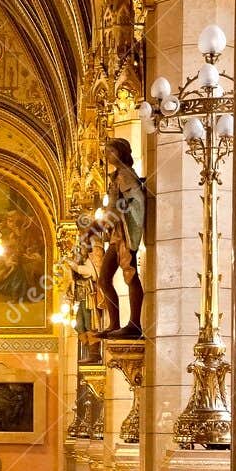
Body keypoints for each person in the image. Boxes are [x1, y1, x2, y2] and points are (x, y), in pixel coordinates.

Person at [96, 138, 147, 338]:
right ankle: (114, 324)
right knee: (103, 279)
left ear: (121, 153)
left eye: (111, 151)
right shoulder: (117, 176)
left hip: (125, 232)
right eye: (106, 152)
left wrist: (117, 214)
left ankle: (134, 324)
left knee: (130, 275)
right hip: (116, 234)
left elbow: (137, 202)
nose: (107, 156)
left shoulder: (125, 175)